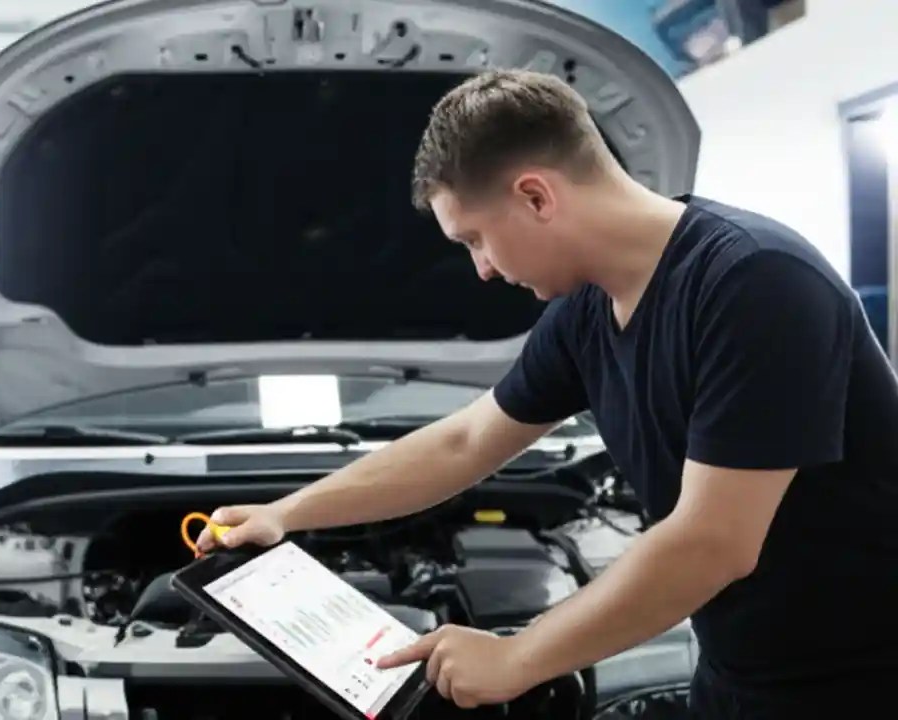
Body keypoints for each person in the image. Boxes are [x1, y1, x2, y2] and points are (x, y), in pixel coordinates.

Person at [196, 68, 898, 718]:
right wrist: (287, 513)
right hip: (739, 676)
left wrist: (519, 657)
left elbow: (712, 543)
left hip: (860, 682)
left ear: (536, 195)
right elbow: (466, 441)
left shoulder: (754, 284)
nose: (482, 270)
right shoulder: (587, 312)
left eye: (474, 238)